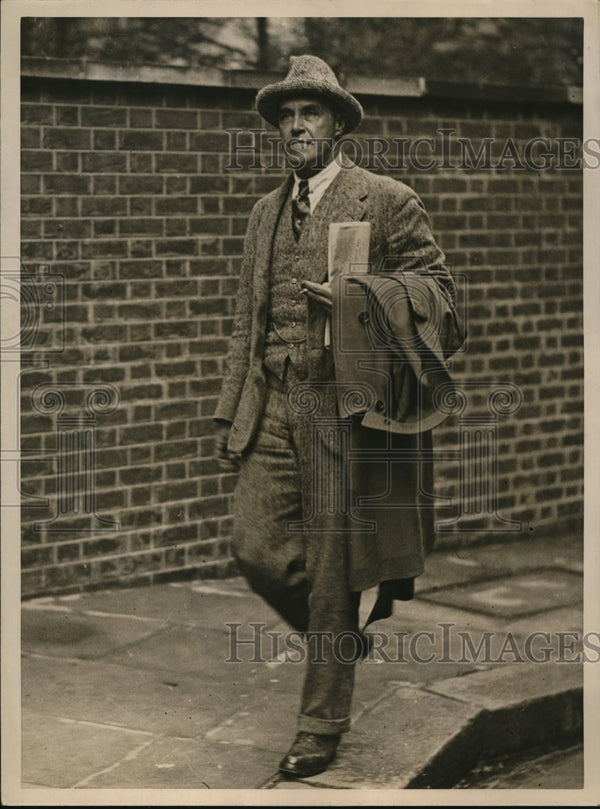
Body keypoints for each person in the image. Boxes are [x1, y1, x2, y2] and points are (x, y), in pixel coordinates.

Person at [213, 54, 464, 778]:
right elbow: (246, 321)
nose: (296, 125)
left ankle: (320, 723)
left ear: (337, 124)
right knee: (254, 546)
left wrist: (361, 298)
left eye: (310, 113)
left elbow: (442, 298)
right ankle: (340, 644)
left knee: (331, 574)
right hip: (272, 406)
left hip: (339, 411)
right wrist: (233, 414)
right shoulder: (266, 212)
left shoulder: (384, 198)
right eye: (286, 115)